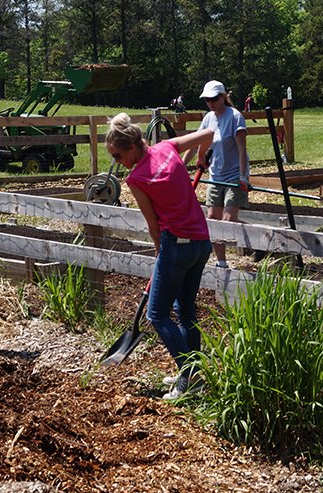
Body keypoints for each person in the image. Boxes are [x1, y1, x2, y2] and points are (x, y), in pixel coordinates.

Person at [104, 112, 214, 399]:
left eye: (117, 155)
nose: (117, 162)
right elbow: (208, 134)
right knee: (186, 310)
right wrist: (201, 158)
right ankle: (192, 372)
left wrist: (159, 251)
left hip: (175, 245)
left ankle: (190, 378)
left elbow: (153, 225)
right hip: (201, 242)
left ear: (131, 147)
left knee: (157, 314)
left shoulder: (136, 178)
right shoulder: (167, 147)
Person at [194, 80, 250, 270]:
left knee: (228, 220)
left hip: (234, 175)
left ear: (223, 97)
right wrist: (191, 162)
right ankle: (222, 262)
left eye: (214, 98)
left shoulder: (235, 117)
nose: (211, 102)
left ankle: (260, 237)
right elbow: (198, 142)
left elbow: (242, 149)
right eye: (207, 99)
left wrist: (243, 176)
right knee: (213, 218)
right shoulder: (208, 118)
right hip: (215, 175)